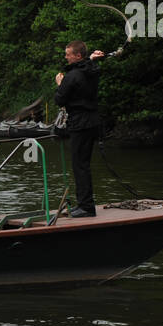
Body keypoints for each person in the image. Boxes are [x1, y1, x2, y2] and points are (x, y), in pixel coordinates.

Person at [54, 41, 106, 218]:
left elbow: (60, 99)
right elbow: (87, 67)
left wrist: (60, 83)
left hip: (79, 123)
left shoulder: (72, 76)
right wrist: (91, 58)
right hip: (92, 121)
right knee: (84, 164)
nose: (66, 57)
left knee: (79, 165)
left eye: (68, 54)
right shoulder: (92, 70)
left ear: (77, 56)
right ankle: (85, 204)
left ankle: (86, 207)